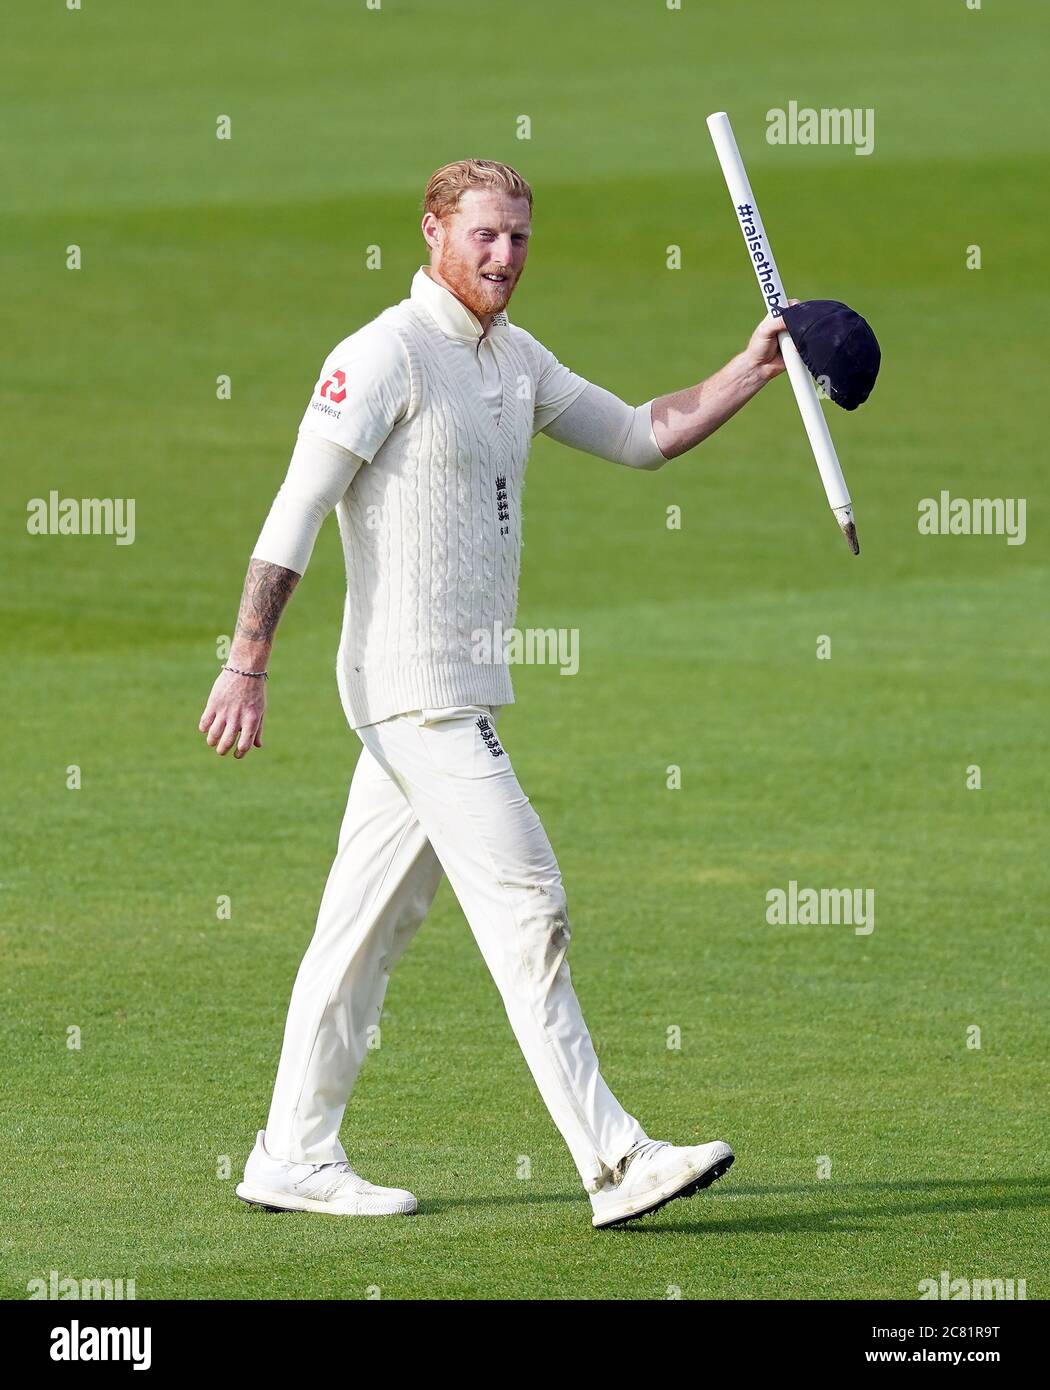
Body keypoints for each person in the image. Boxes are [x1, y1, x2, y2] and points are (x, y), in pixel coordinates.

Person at [198, 158, 789, 1229]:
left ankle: (291, 1151)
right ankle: (614, 1161)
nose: (505, 256)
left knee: (363, 930)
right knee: (530, 903)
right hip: (413, 692)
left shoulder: (513, 358)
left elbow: (639, 434)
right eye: (484, 235)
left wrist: (750, 370)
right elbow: (295, 509)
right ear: (432, 232)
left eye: (519, 237)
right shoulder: (384, 354)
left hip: (455, 687)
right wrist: (247, 660)